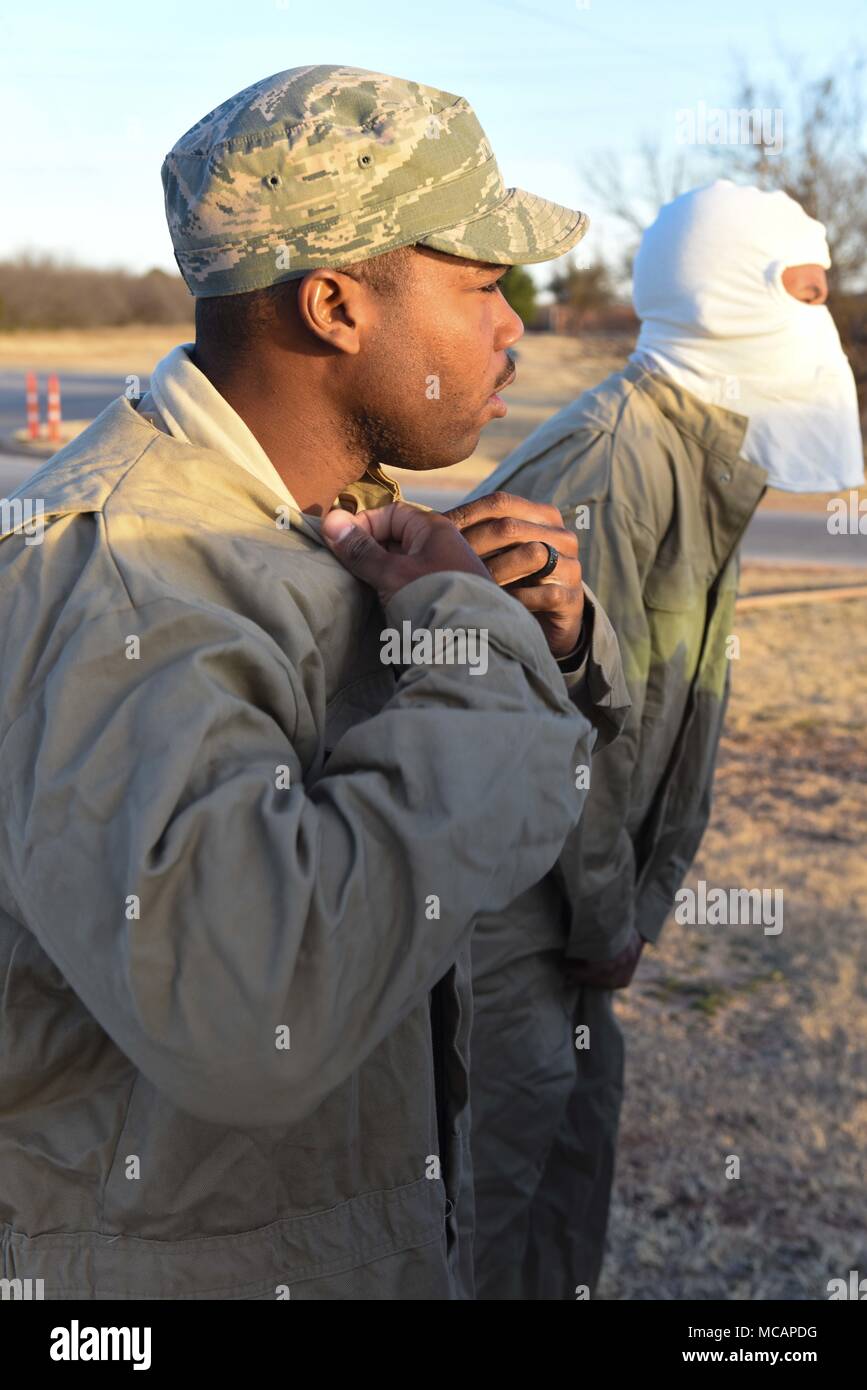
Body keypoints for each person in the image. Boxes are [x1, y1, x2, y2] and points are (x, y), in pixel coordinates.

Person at [0, 64, 628, 1301]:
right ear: (336, 305)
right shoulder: (128, 575)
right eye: (484, 286)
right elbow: (257, 994)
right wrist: (480, 660)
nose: (515, 326)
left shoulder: (322, 522)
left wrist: (539, 637)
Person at [463, 179, 865, 1299]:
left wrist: (623, 913)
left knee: (569, 1175)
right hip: (516, 917)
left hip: (580, 922)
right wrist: (607, 919)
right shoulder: (608, 463)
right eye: (804, 291)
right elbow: (565, 740)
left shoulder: (700, 445)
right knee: (489, 1211)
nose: (823, 316)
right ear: (732, 295)